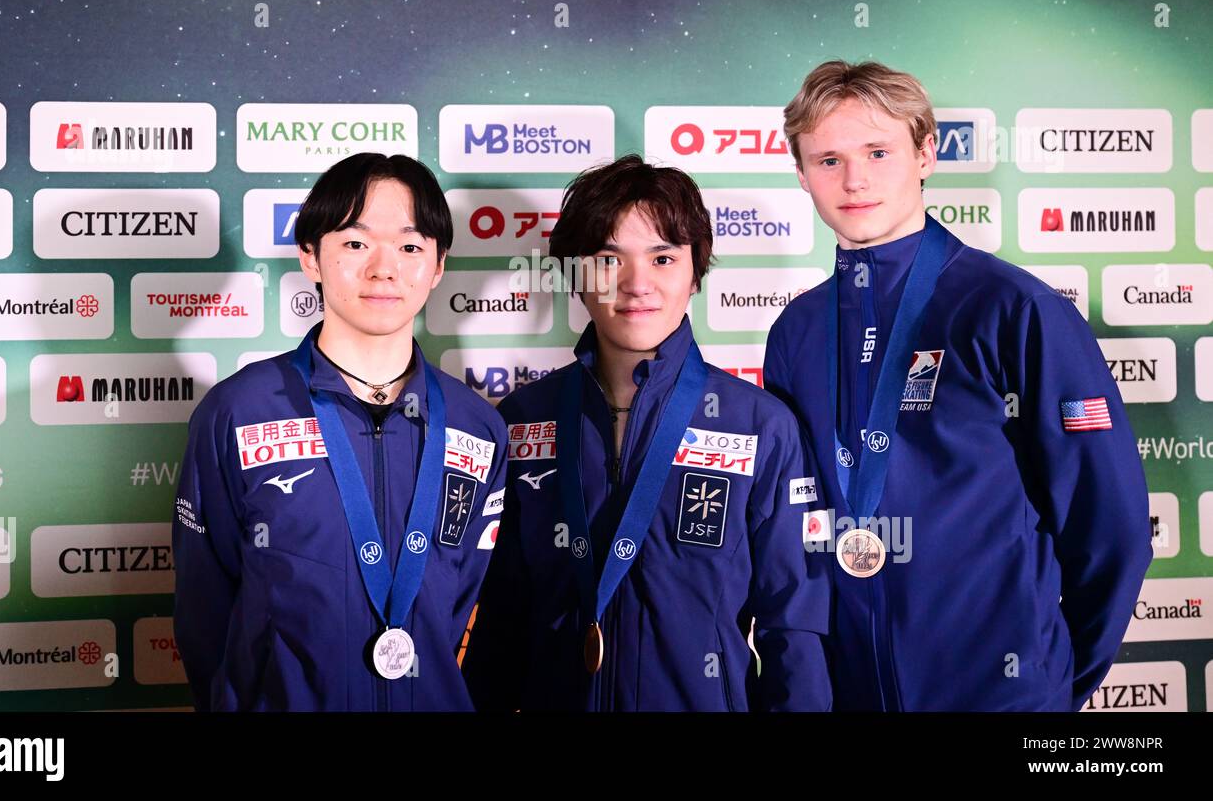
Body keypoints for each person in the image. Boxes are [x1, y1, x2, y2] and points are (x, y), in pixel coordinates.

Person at [763, 59, 1152, 711]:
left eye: (878, 151)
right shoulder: (795, 331)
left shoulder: (1013, 309)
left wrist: (1047, 681)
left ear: (926, 154)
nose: (854, 179)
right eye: (828, 159)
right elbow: (793, 528)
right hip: (847, 695)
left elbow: (1109, 526)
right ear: (801, 174)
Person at [464, 154, 832, 711]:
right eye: (609, 259)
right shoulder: (522, 419)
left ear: (695, 271)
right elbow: (500, 616)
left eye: (663, 257)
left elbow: (794, 624)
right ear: (577, 277)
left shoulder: (758, 424)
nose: (637, 284)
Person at [172, 153, 507, 710]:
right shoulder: (239, 411)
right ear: (310, 256)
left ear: (439, 264)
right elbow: (205, 611)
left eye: (410, 246)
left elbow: (459, 601)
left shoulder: (479, 426)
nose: (384, 269)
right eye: (355, 243)